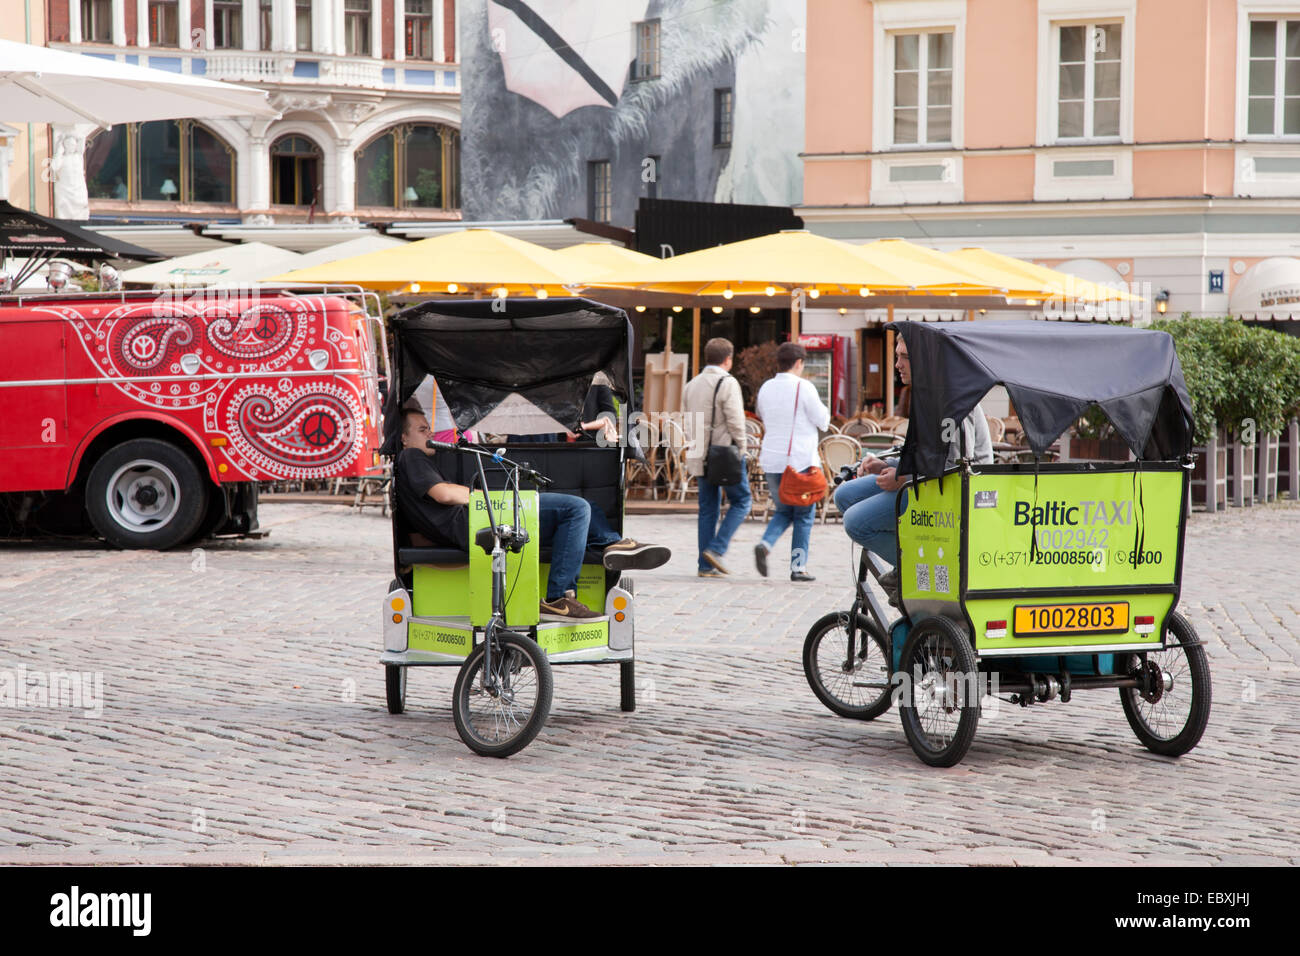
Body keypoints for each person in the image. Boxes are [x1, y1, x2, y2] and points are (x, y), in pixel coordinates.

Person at [395, 409, 670, 620]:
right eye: (421, 430)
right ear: (404, 437)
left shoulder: (418, 459)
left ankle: (612, 543)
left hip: (477, 520)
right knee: (576, 509)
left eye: (429, 428)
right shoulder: (411, 457)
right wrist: (487, 498)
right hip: (479, 520)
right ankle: (558, 596)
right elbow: (442, 494)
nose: (429, 434)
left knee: (584, 508)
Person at [833, 335, 993, 602]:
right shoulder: (925, 393)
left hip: (953, 493)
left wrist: (904, 477)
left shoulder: (949, 397)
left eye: (904, 357)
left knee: (856, 522)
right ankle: (908, 555)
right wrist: (888, 465)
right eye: (897, 356)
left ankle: (918, 566)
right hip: (927, 480)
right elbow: (925, 453)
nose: (897, 364)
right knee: (844, 495)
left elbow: (956, 465)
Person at [754, 342, 830, 582]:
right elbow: (823, 421)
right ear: (799, 363)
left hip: (772, 460)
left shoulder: (766, 387)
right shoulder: (804, 387)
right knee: (804, 515)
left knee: (784, 510)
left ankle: (765, 544)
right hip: (799, 461)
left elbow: (762, 414)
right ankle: (798, 567)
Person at [683, 337, 751, 577]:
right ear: (728, 359)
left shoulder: (691, 384)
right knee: (742, 501)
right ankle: (717, 548)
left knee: (707, 509)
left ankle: (704, 565)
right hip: (724, 454)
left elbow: (687, 421)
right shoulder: (727, 382)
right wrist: (743, 448)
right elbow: (735, 421)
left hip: (700, 455)